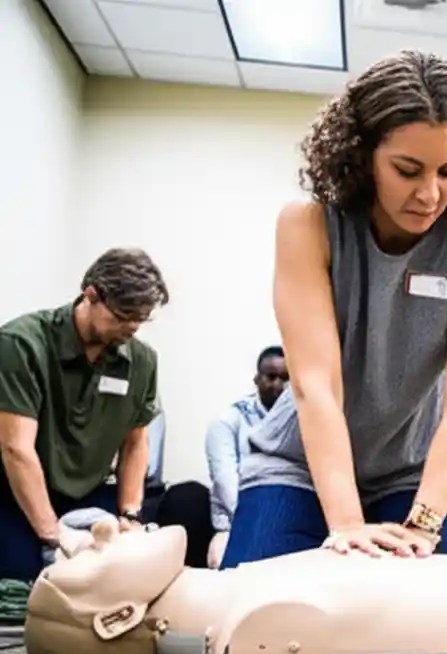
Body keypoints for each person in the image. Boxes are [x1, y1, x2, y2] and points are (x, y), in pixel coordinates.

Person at [219, 50, 447, 569]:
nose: (430, 193)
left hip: (413, 473)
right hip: (299, 465)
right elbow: (315, 385)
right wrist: (348, 527)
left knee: (434, 623)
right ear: (361, 154)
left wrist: (424, 526)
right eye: (407, 170)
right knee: (258, 615)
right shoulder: (307, 226)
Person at [0, 248, 169, 582]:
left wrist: (130, 515)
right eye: (123, 315)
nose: (132, 326)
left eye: (141, 317)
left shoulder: (142, 361)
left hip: (89, 492)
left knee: (107, 581)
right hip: (14, 491)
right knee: (23, 589)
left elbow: (136, 443)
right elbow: (15, 449)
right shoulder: (21, 344)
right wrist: (54, 534)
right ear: (90, 295)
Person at [204, 345, 287, 567]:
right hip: (235, 524)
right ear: (257, 379)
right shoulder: (228, 421)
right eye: (271, 377)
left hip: (288, 519)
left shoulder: (301, 420)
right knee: (224, 560)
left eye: (286, 378)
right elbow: (225, 482)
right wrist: (263, 521)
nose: (279, 385)